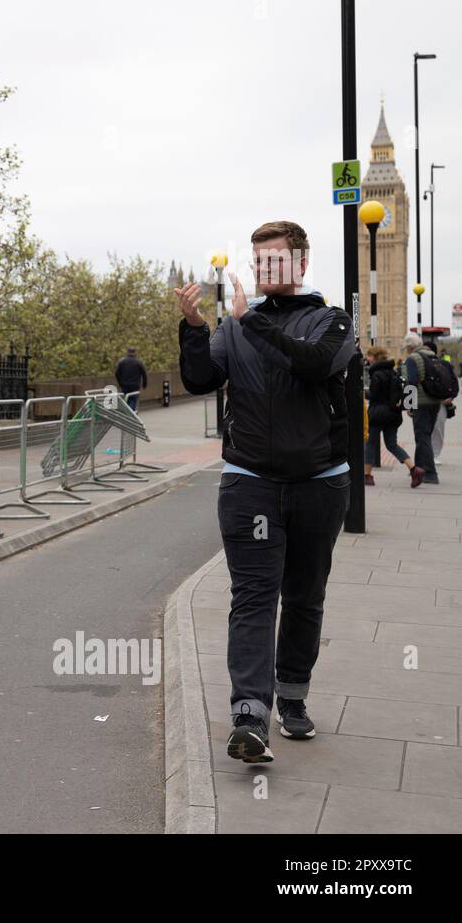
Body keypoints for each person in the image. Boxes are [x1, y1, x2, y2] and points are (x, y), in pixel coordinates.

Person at [176, 220, 353, 764]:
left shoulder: (332, 321)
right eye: (260, 262)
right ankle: (250, 714)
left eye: (276, 260)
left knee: (304, 595)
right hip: (250, 482)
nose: (265, 270)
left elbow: (313, 365)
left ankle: (293, 697)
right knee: (253, 597)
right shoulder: (234, 327)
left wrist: (251, 322)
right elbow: (200, 380)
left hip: (319, 485)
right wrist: (194, 327)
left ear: (300, 264)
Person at [363, 346, 422, 487]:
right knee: (392, 444)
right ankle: (414, 469)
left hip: (377, 414)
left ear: (376, 358)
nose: (367, 359)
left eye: (369, 356)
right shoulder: (393, 373)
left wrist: (362, 392)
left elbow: (374, 395)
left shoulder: (377, 374)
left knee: (370, 443)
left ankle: (368, 476)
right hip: (392, 414)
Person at [400, 333, 444, 485]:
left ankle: (430, 474)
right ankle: (418, 470)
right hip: (435, 402)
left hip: (421, 403)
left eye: (407, 348)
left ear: (410, 347)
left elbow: (410, 382)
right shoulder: (432, 355)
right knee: (425, 436)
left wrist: (408, 405)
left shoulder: (413, 358)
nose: (406, 351)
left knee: (422, 437)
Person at [114, 346, 148, 412]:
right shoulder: (138, 362)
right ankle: (131, 414)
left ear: (127, 352)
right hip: (135, 385)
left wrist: (120, 383)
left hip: (125, 385)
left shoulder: (122, 362)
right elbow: (144, 374)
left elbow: (116, 374)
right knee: (133, 399)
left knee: (126, 399)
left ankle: (126, 413)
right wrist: (144, 384)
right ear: (135, 352)